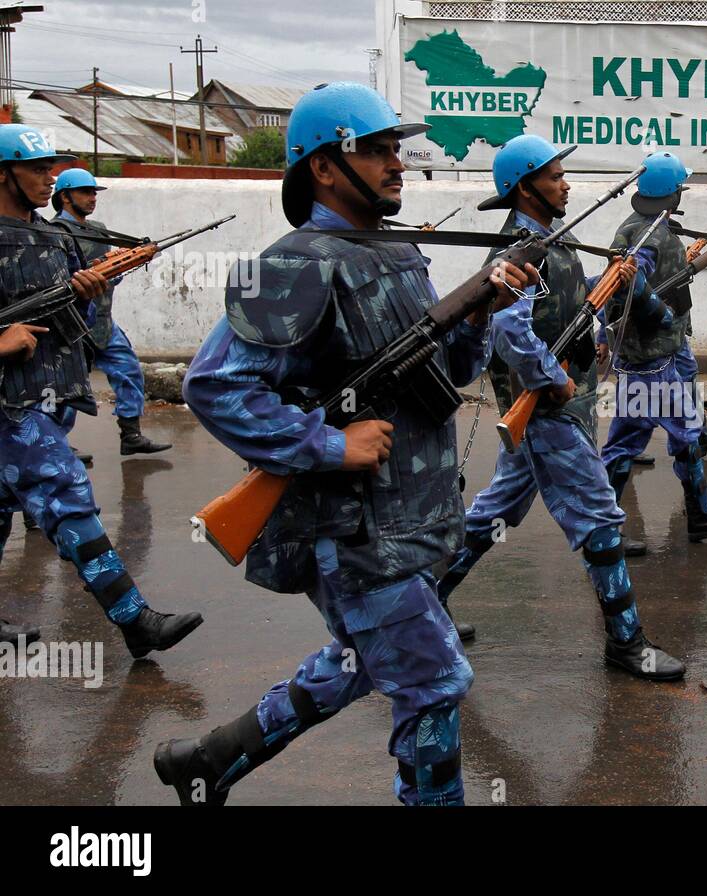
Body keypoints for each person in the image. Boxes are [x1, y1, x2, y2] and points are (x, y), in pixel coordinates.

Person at [154, 83, 533, 806]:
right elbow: (215, 385)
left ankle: (210, 761)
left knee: (362, 660)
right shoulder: (295, 262)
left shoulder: (396, 254)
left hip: (411, 520)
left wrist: (482, 311)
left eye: (397, 148)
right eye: (378, 149)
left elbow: (446, 376)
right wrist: (328, 443)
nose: (397, 162)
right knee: (433, 682)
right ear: (325, 167)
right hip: (351, 531)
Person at [435, 134, 684, 680]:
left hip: (547, 413)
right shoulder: (520, 252)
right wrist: (551, 381)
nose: (565, 183)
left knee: (495, 511)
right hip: (549, 414)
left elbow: (559, 300)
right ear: (525, 188)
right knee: (599, 518)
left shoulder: (549, 242)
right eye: (554, 177)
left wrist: (609, 281)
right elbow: (506, 325)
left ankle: (430, 600)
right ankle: (625, 642)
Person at [0, 124, 202, 655]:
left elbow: (70, 323)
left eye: (52, 168)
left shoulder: (52, 238)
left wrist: (88, 293)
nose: (51, 178)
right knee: (69, 496)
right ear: (4, 174)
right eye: (38, 169)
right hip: (11, 405)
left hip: (41, 392)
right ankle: (136, 621)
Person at [600, 151, 707, 547]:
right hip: (648, 359)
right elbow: (629, 281)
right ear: (671, 194)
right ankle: (605, 530)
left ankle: (698, 515)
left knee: (675, 435)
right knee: (632, 443)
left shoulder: (645, 227)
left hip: (651, 357)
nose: (682, 193)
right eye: (680, 188)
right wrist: (662, 314)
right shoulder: (648, 235)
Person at [50, 168, 172, 456]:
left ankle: (131, 435)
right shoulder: (54, 233)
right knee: (67, 388)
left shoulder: (99, 228)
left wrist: (128, 260)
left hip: (103, 321)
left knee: (129, 371)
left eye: (94, 192)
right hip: (72, 324)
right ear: (65, 197)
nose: (92, 198)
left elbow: (111, 272)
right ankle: (56, 446)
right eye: (85, 192)